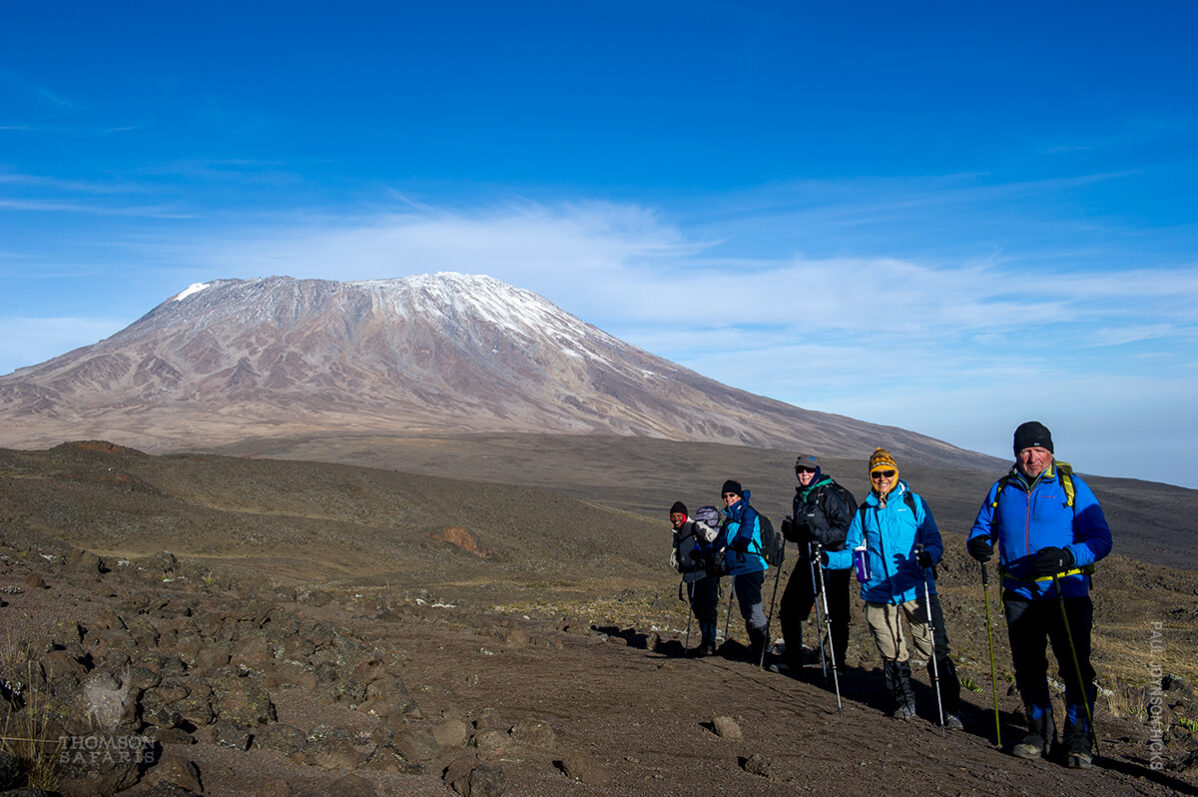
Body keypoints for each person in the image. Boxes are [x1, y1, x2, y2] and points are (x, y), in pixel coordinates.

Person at [967, 421, 1112, 769]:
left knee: (1075, 668)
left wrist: (1067, 557)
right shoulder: (1002, 489)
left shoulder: (1072, 487)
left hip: (1066, 592)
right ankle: (1038, 732)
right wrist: (978, 543)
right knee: (1028, 666)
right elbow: (982, 527)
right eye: (1025, 450)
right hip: (1018, 593)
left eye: (1038, 450)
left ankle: (1078, 738)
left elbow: (1101, 540)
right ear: (1016, 453)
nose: (1032, 457)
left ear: (1050, 452)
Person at [824, 448, 962, 728]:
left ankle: (948, 708)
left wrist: (929, 555)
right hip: (878, 591)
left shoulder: (913, 503)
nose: (883, 478)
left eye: (888, 473)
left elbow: (934, 539)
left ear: (896, 473)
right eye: (877, 474)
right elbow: (853, 551)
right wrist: (828, 558)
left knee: (933, 646)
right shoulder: (865, 511)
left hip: (915, 587)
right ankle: (904, 701)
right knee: (891, 649)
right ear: (871, 477)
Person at [776, 454, 854, 674]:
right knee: (789, 608)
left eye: (808, 471)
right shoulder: (800, 497)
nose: (804, 474)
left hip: (834, 561)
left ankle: (838, 664)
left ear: (816, 471)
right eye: (800, 471)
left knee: (836, 614)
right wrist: (791, 533)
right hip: (808, 559)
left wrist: (817, 536)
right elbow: (804, 534)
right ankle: (793, 659)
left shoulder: (828, 495)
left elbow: (845, 529)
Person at [718, 480, 770, 661]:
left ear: (739, 496)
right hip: (739, 568)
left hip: (752, 567)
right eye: (725, 496)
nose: (728, 499)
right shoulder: (730, 518)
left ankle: (763, 648)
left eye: (731, 495)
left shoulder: (748, 513)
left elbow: (745, 537)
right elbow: (718, 541)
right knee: (746, 609)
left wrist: (731, 546)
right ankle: (757, 646)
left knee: (753, 608)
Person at [669, 501, 721, 657]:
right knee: (698, 610)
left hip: (706, 574)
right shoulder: (678, 532)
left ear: (685, 516)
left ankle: (710, 643)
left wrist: (704, 555)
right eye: (673, 517)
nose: (676, 519)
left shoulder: (695, 527)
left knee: (708, 609)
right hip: (691, 576)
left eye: (678, 516)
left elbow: (716, 539)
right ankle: (706, 642)